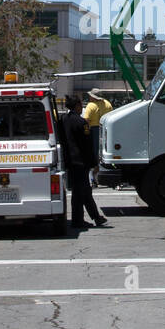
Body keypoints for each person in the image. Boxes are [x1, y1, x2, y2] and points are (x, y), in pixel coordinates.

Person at [60, 94, 107, 229]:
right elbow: (87, 146)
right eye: (81, 105)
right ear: (77, 106)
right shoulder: (82, 123)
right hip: (81, 162)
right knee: (79, 192)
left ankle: (96, 217)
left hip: (69, 161)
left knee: (83, 190)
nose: (82, 108)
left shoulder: (62, 120)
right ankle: (78, 220)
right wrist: (94, 163)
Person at [81, 89, 113, 185]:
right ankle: (101, 173)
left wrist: (85, 133)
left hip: (94, 130)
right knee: (103, 152)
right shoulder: (107, 104)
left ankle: (93, 176)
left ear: (93, 97)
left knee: (93, 153)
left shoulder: (91, 105)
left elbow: (86, 120)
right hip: (106, 130)